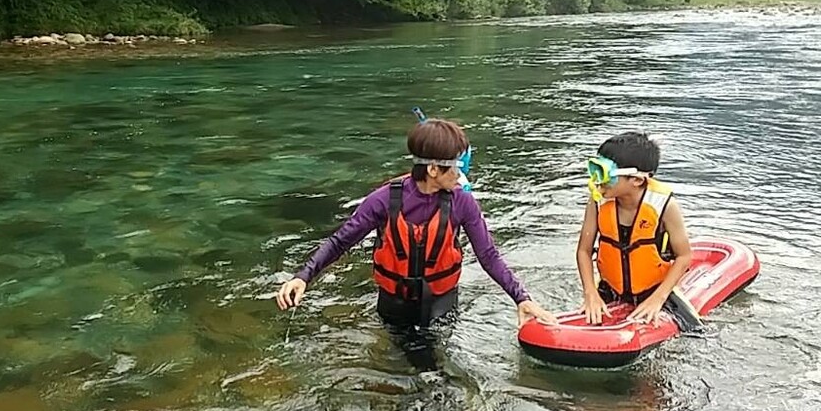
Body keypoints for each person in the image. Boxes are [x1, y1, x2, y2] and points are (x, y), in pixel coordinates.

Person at [275, 117, 556, 331]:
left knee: (434, 373)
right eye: (457, 166)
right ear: (433, 169)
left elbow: (488, 255)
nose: (460, 175)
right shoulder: (383, 200)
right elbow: (341, 242)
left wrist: (522, 298)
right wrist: (303, 277)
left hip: (442, 308)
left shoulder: (462, 202)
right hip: (394, 307)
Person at [575, 131, 695, 327]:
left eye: (604, 173)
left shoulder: (664, 206)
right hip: (610, 289)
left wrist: (658, 299)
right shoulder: (598, 201)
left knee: (696, 332)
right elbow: (583, 250)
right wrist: (590, 293)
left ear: (637, 179)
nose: (597, 180)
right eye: (594, 170)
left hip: (654, 290)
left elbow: (684, 256)